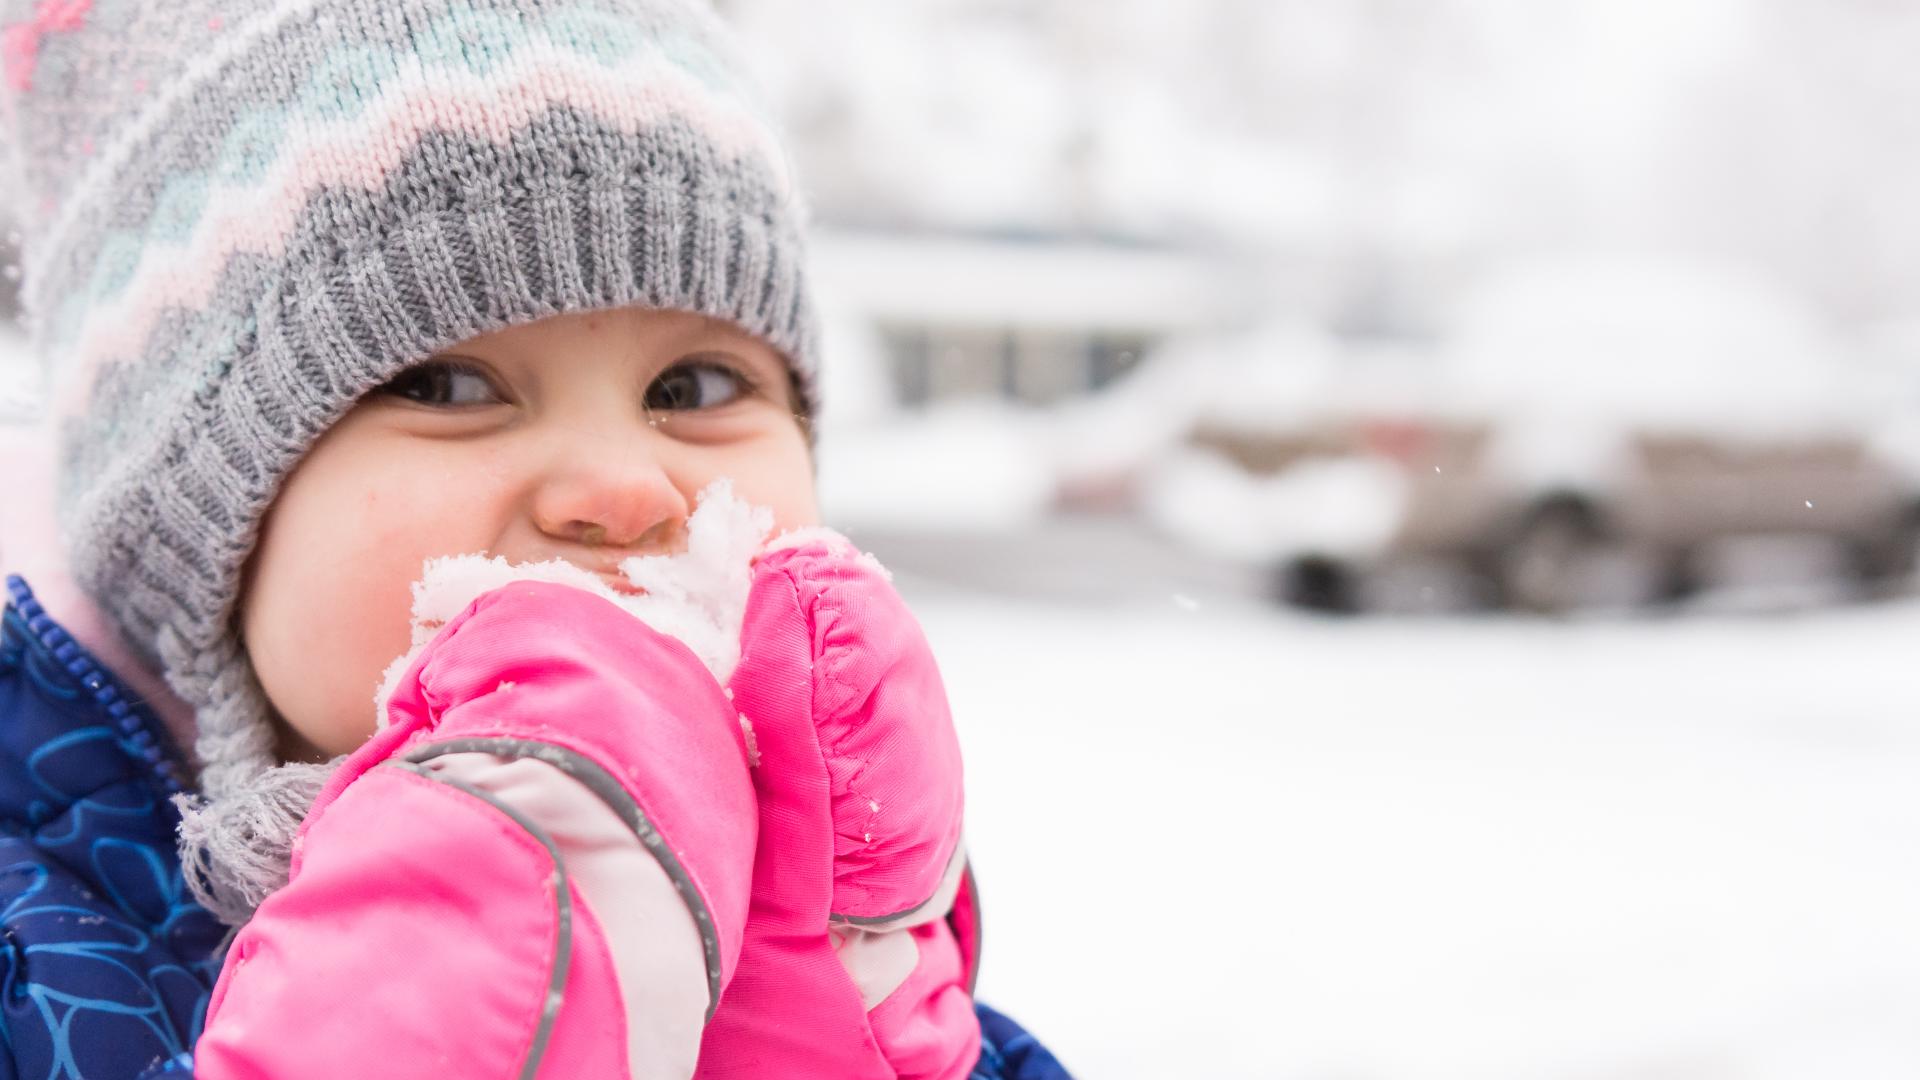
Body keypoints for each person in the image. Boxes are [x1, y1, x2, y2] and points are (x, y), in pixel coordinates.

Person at [0, 1, 1070, 1077]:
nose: (625, 487)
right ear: (188, 531)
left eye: (691, 387)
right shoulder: (31, 963)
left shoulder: (918, 1003)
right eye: (450, 386)